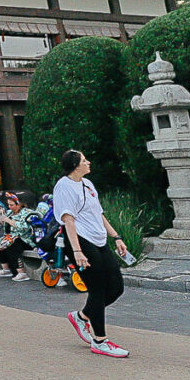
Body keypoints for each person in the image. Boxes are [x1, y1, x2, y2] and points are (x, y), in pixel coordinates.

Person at [55, 150, 131, 358]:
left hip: (99, 240)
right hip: (80, 241)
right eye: (84, 160)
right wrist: (77, 251)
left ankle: (82, 316)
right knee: (97, 289)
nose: (88, 162)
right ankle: (100, 341)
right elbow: (68, 219)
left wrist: (116, 237)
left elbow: (99, 213)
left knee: (116, 286)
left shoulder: (88, 184)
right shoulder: (63, 186)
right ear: (75, 165)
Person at [0, 192, 39, 281]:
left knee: (12, 246)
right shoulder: (9, 213)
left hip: (25, 239)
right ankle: (6, 269)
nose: (9, 207)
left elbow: (24, 228)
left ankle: (21, 272)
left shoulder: (28, 213)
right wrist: (2, 220)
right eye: (8, 205)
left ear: (19, 204)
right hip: (10, 237)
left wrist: (8, 221)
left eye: (12, 205)